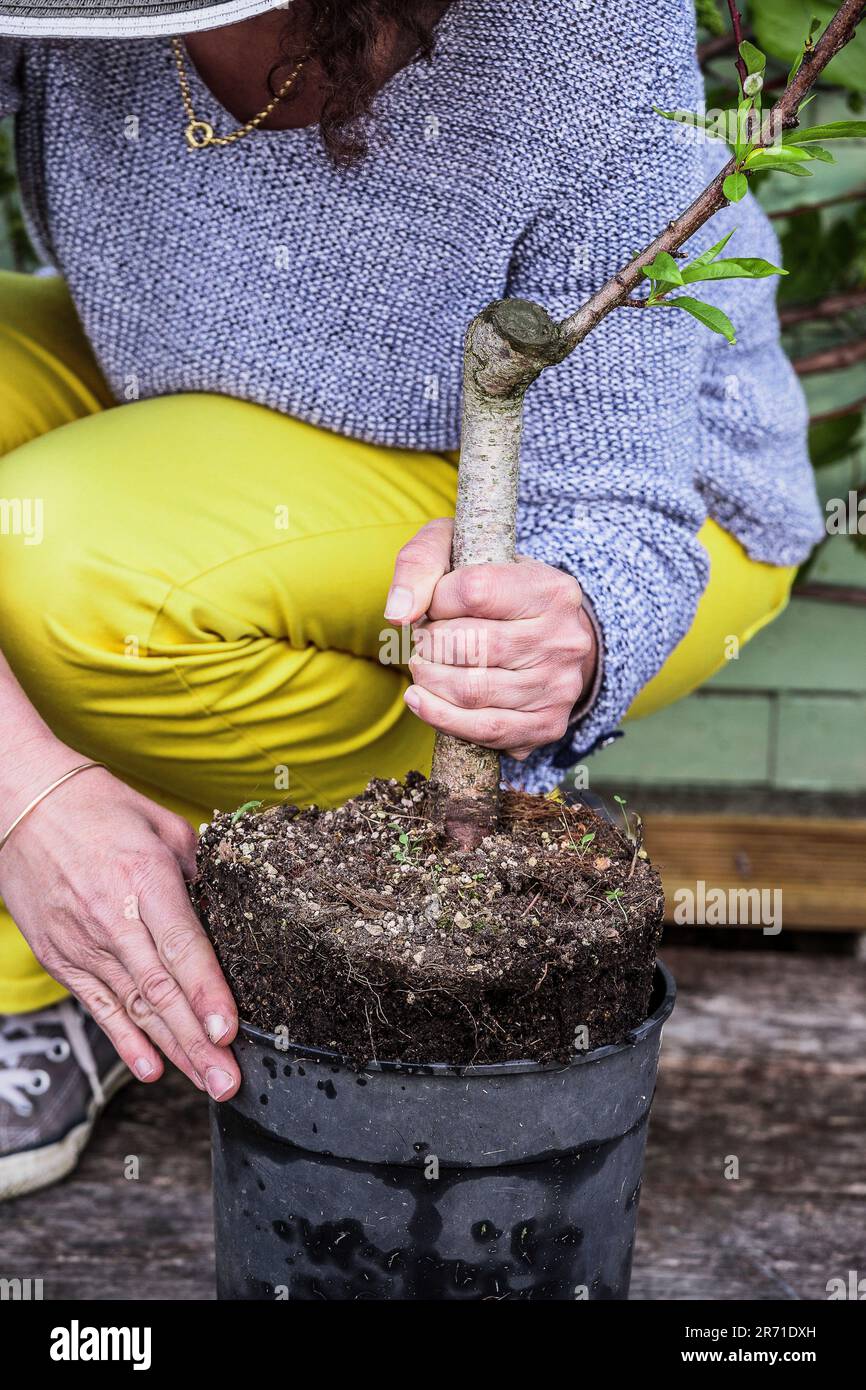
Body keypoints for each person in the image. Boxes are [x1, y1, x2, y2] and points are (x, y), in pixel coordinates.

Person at [0, 0, 821, 1197]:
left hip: (614, 489)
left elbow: (616, 501)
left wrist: (566, 622)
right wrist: (24, 793)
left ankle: (343, 893)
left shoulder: (578, 25)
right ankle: (59, 912)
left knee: (65, 565)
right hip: (188, 388)